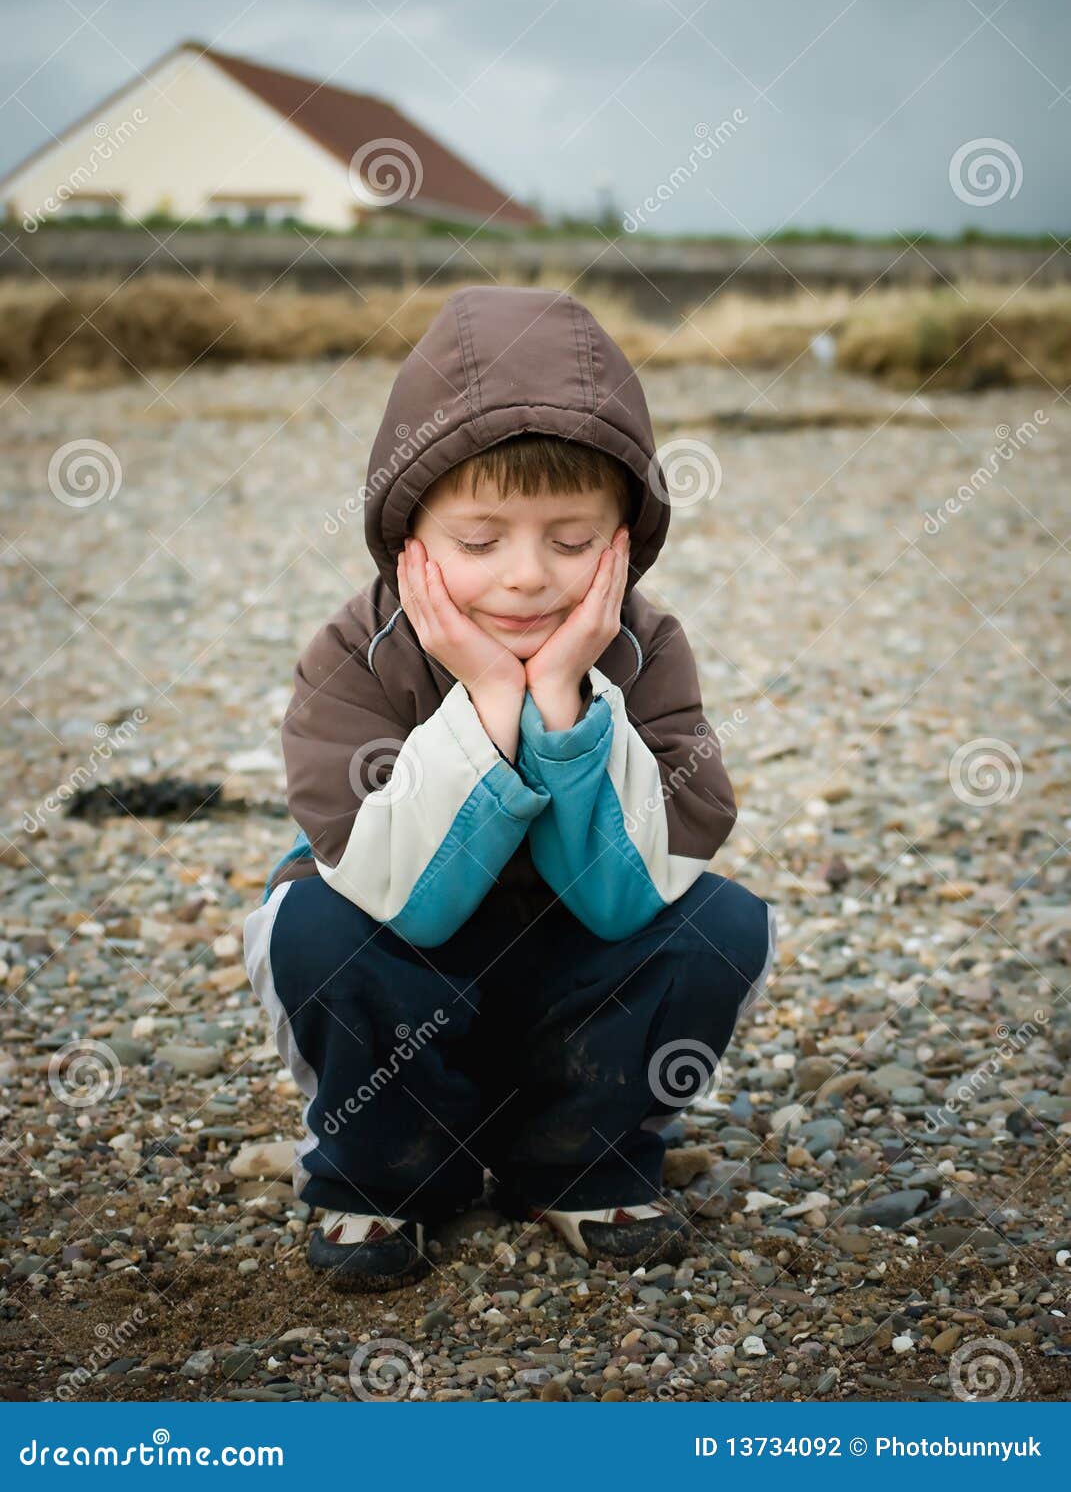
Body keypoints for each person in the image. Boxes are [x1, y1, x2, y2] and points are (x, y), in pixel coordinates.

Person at [242, 284, 777, 1293]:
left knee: (722, 922)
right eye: (480, 541)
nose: (527, 577)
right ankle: (390, 1167)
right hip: (413, 981)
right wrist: (489, 700)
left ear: (627, 536)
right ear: (411, 540)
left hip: (569, 990)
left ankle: (580, 1154)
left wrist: (570, 711)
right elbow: (406, 897)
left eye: (572, 540)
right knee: (309, 924)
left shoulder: (646, 649)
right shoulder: (355, 654)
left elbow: (630, 895)